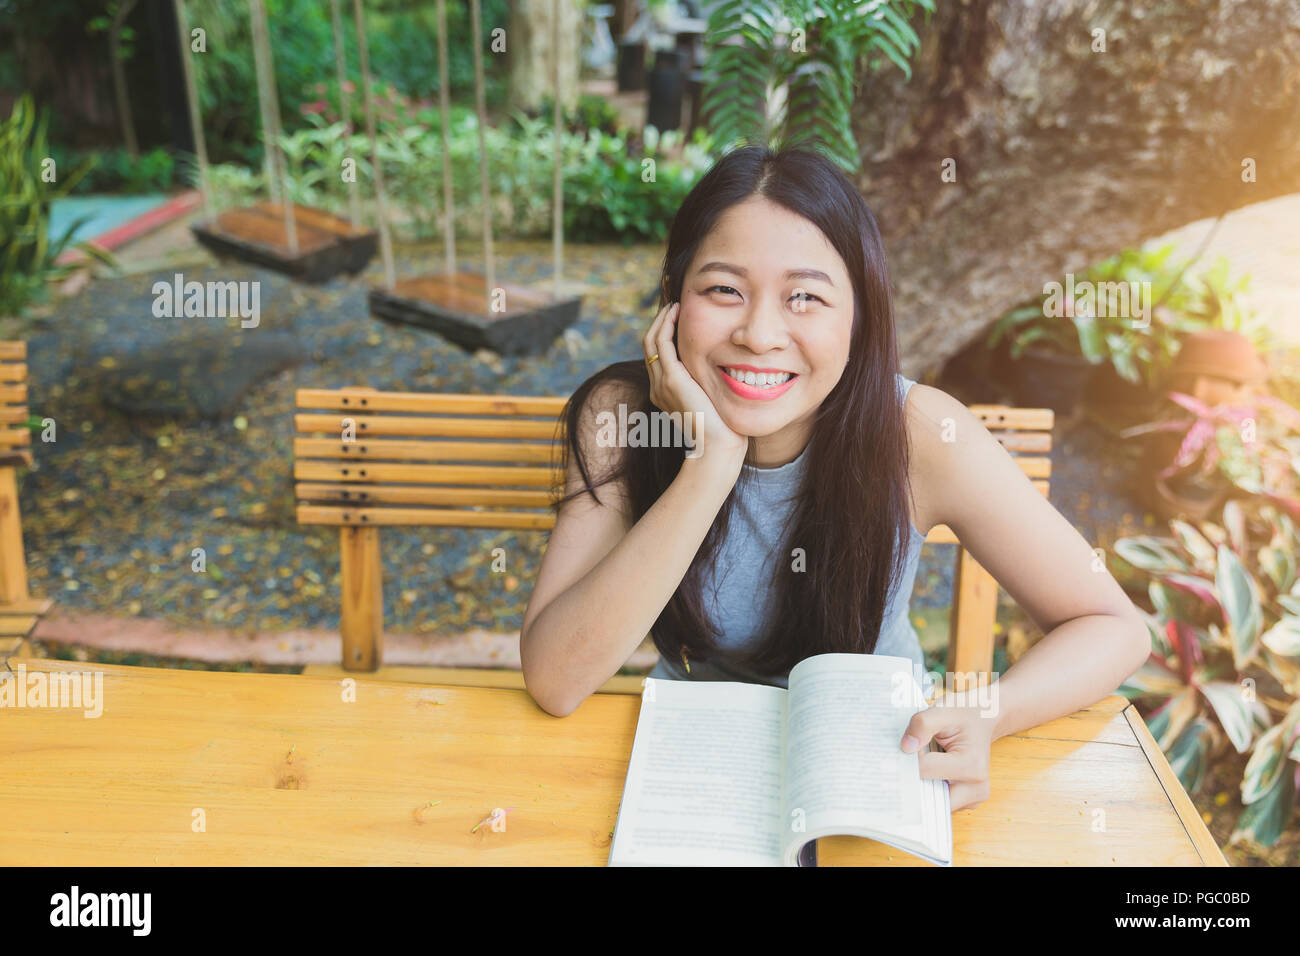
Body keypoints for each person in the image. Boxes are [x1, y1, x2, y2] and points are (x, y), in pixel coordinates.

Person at [520, 145, 1150, 811]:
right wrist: (709, 465)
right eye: (724, 290)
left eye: (805, 298)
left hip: (880, 764)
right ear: (672, 305)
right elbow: (557, 680)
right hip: (696, 769)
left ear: (859, 317)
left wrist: (990, 714)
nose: (760, 333)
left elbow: (1114, 626)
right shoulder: (623, 416)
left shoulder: (919, 433)